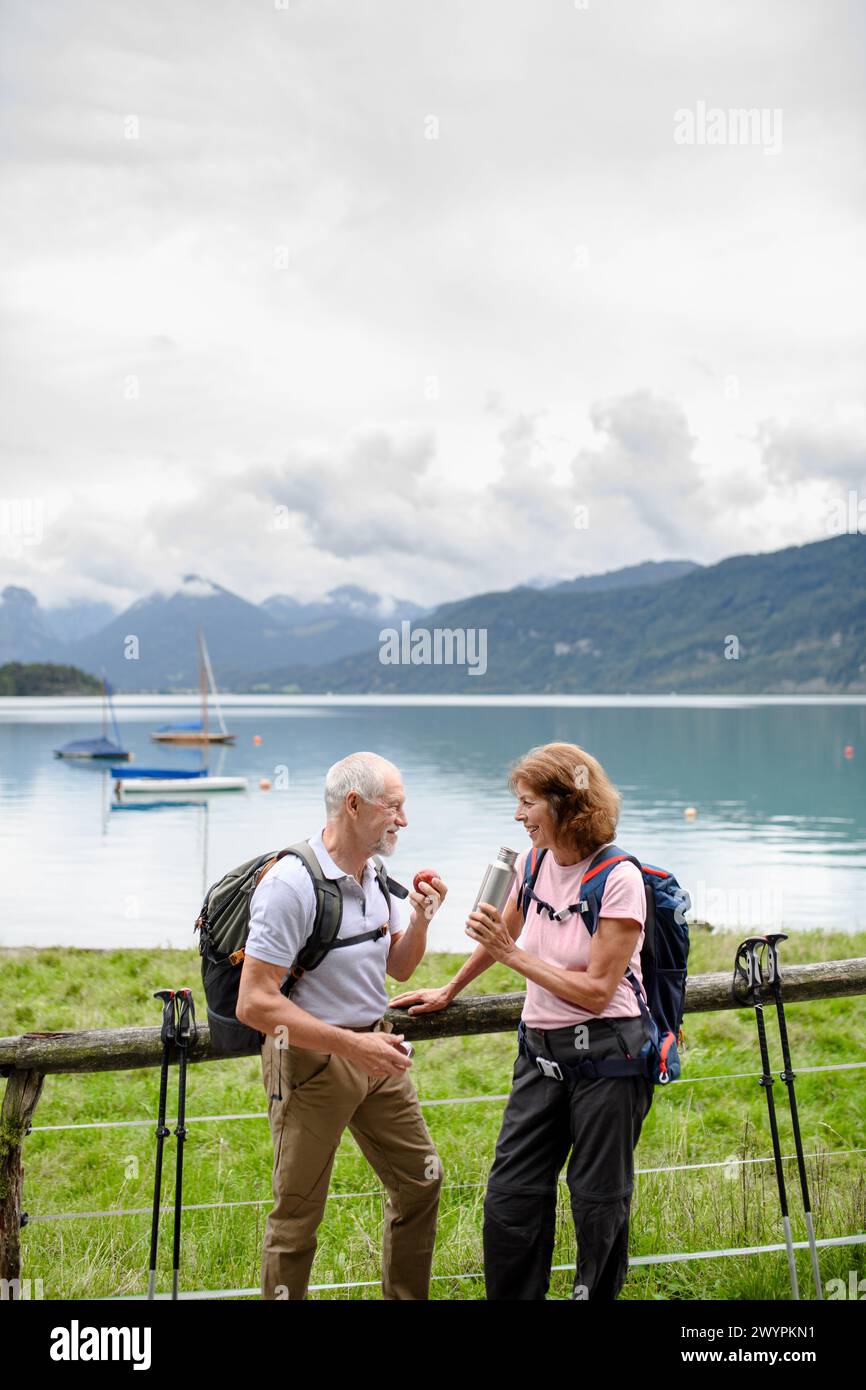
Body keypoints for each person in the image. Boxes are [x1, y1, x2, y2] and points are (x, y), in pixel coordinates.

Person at [391, 741, 653, 1301]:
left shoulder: (620, 878)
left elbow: (597, 990)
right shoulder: (532, 864)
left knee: (597, 1197)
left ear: (566, 803)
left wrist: (512, 955)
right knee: (511, 1194)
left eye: (528, 801)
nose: (518, 814)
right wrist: (451, 988)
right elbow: (498, 938)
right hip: (540, 1055)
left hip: (609, 1057)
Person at [236, 750, 447, 1300]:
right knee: (298, 1216)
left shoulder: (374, 873)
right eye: (394, 806)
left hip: (377, 1054)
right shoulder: (291, 883)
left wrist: (422, 919)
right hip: (311, 1063)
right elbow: (255, 1004)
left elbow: (398, 965)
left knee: (422, 1182)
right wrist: (354, 1046)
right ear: (353, 805)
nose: (403, 819)